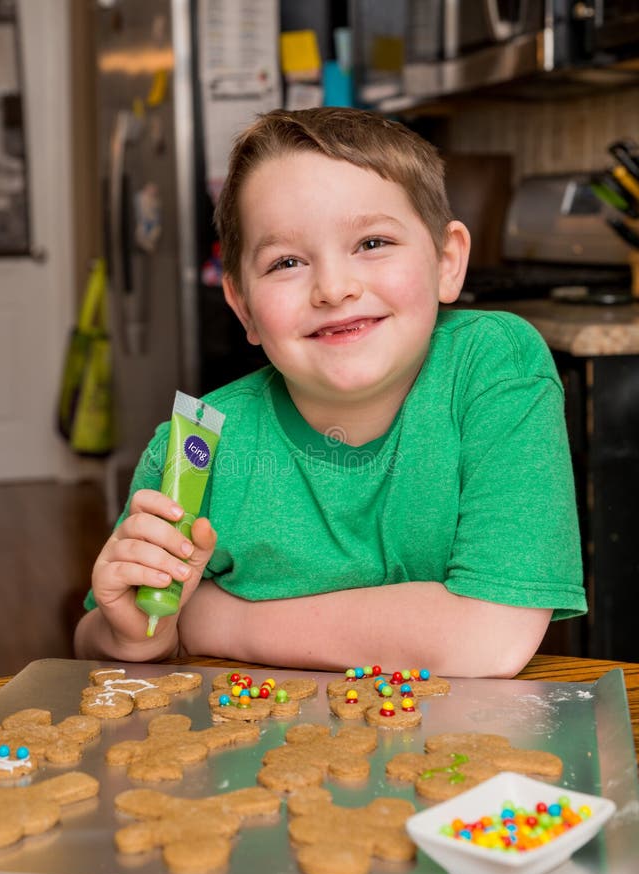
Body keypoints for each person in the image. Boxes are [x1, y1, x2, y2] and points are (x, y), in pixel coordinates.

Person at [74, 106, 586, 677]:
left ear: (446, 262)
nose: (335, 289)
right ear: (243, 306)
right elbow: (101, 638)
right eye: (287, 261)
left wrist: (213, 622)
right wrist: (132, 634)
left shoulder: (495, 365)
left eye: (371, 243)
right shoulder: (196, 448)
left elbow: (492, 638)